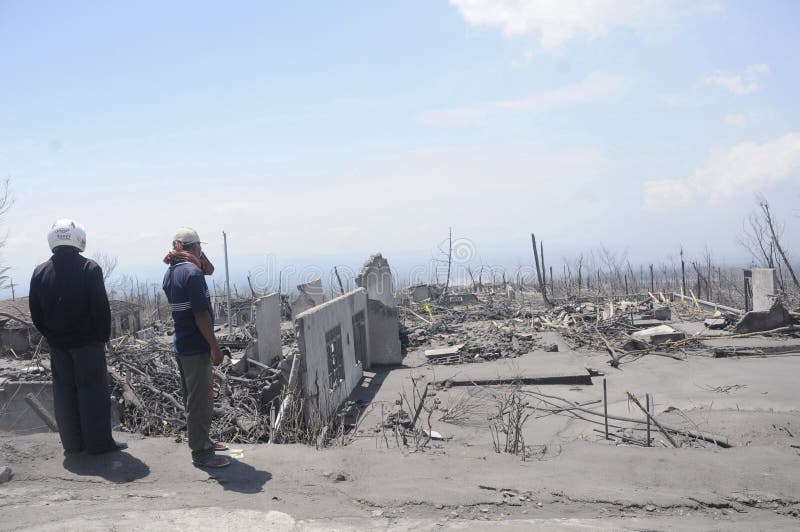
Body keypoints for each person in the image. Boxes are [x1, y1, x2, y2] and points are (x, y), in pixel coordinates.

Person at [29, 219, 127, 455]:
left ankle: (73, 445)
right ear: (78, 239)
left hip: (58, 345)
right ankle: (98, 444)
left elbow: (36, 314)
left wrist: (51, 335)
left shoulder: (40, 272)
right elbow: (101, 310)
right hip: (87, 345)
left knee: (64, 395)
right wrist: (101, 337)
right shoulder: (89, 269)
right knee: (92, 393)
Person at [162, 227, 230, 468]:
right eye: (199, 247)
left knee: (194, 398)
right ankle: (201, 452)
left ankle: (204, 440)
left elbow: (208, 269)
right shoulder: (192, 273)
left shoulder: (172, 273)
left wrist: (193, 254)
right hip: (196, 345)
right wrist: (215, 347)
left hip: (182, 344)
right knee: (201, 401)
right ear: (194, 248)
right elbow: (200, 314)